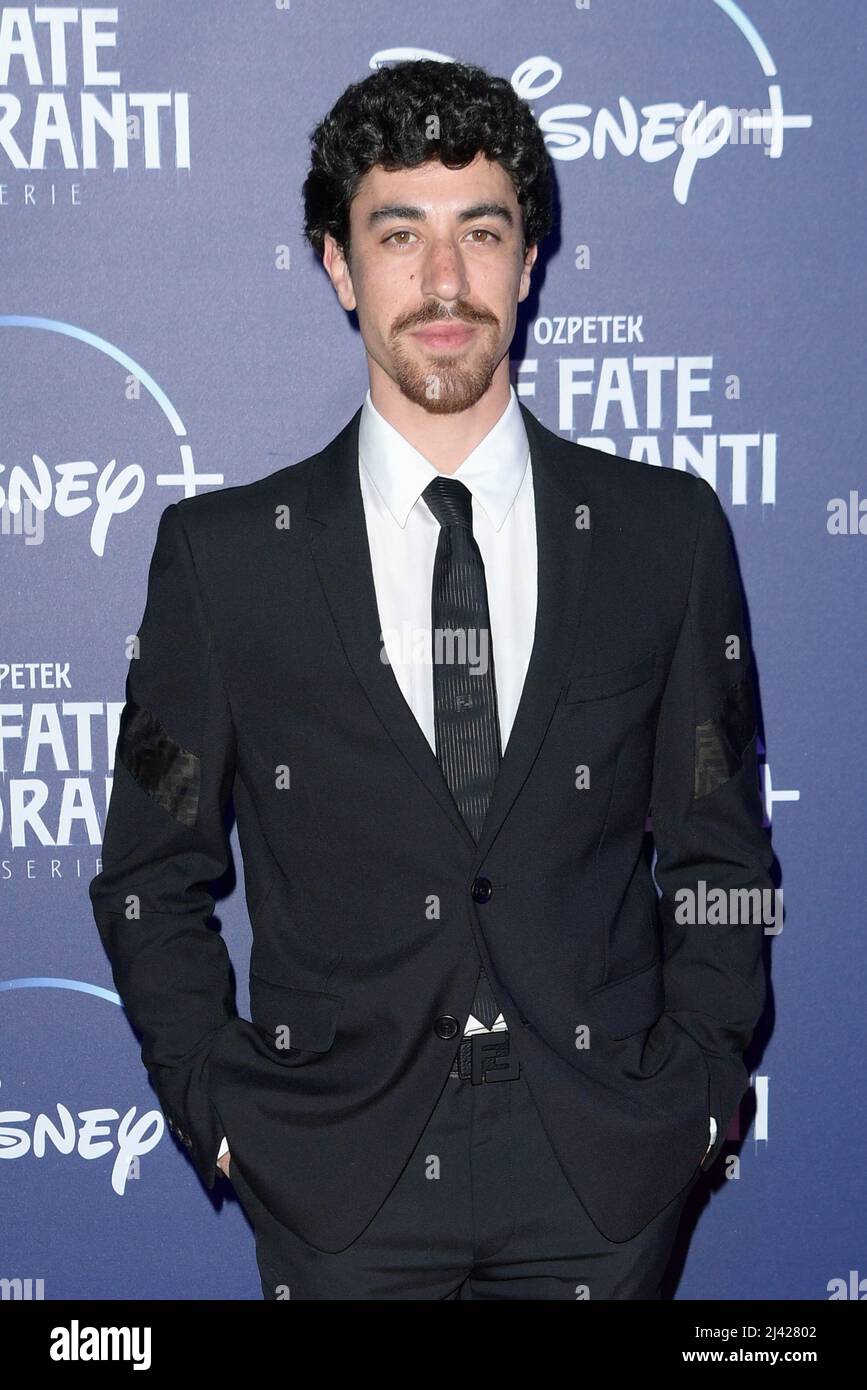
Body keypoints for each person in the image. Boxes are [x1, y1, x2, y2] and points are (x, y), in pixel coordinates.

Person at [89, 59, 774, 1300]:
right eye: (399, 235)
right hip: (336, 1172)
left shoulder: (664, 538)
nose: (444, 283)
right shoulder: (225, 560)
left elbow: (724, 864)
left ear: (529, 260)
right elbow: (149, 872)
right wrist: (221, 1106)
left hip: (603, 1172)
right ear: (341, 267)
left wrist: (701, 1092)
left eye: (482, 233)